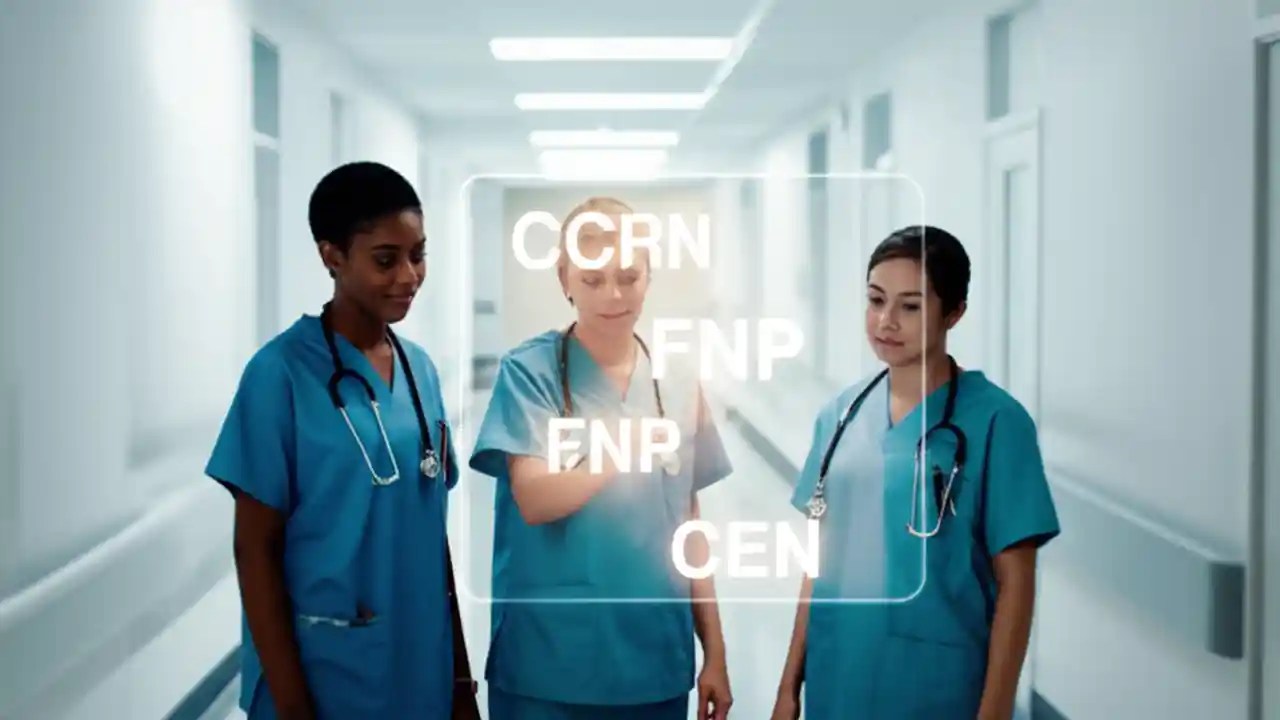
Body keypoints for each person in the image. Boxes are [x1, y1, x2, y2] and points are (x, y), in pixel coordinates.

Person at [205, 161, 479, 719]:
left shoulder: (419, 369)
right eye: (385, 259)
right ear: (332, 256)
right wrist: (293, 706)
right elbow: (254, 550)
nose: (408, 276)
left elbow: (432, 531)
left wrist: (459, 678)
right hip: (325, 668)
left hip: (419, 662)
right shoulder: (279, 374)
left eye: (418, 254)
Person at [770, 225, 1060, 720]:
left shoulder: (996, 421)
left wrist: (994, 714)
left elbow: (1016, 584)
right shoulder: (840, 415)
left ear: (954, 313)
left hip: (939, 687)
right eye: (876, 300)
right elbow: (815, 563)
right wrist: (787, 687)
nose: (886, 321)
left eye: (910, 306)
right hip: (837, 679)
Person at [469, 196, 735, 719]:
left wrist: (716, 653)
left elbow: (689, 526)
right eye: (592, 280)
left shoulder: (678, 383)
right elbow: (535, 498)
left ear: (649, 276)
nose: (613, 295)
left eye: (628, 277)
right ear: (564, 278)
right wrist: (625, 445)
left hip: (653, 660)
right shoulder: (531, 373)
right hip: (549, 663)